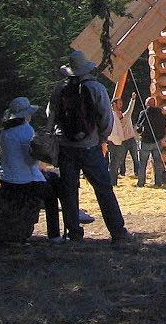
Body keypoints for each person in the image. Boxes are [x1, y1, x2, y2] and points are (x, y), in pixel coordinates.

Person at [47, 51, 132, 244]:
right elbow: (106, 118)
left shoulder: (60, 88)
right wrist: (101, 138)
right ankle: (117, 231)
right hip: (89, 145)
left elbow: (50, 114)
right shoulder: (95, 88)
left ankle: (74, 232)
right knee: (103, 188)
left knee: (69, 190)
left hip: (65, 146)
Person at [0, 96, 64, 242]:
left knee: (50, 179)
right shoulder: (26, 130)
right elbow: (31, 160)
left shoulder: (5, 131)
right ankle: (54, 234)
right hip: (24, 181)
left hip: (6, 178)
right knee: (51, 195)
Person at [133, 96, 166, 187]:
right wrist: (160, 135)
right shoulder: (160, 114)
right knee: (157, 163)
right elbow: (164, 124)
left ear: (147, 104)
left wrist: (140, 132)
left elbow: (139, 126)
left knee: (143, 163)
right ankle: (158, 182)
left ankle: (141, 182)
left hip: (146, 141)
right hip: (157, 141)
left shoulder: (144, 113)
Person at [106, 93, 139, 186]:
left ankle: (135, 173)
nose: (121, 105)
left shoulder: (125, 116)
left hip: (127, 140)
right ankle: (118, 176)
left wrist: (133, 100)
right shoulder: (113, 117)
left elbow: (130, 109)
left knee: (134, 158)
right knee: (118, 161)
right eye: (119, 103)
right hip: (118, 141)